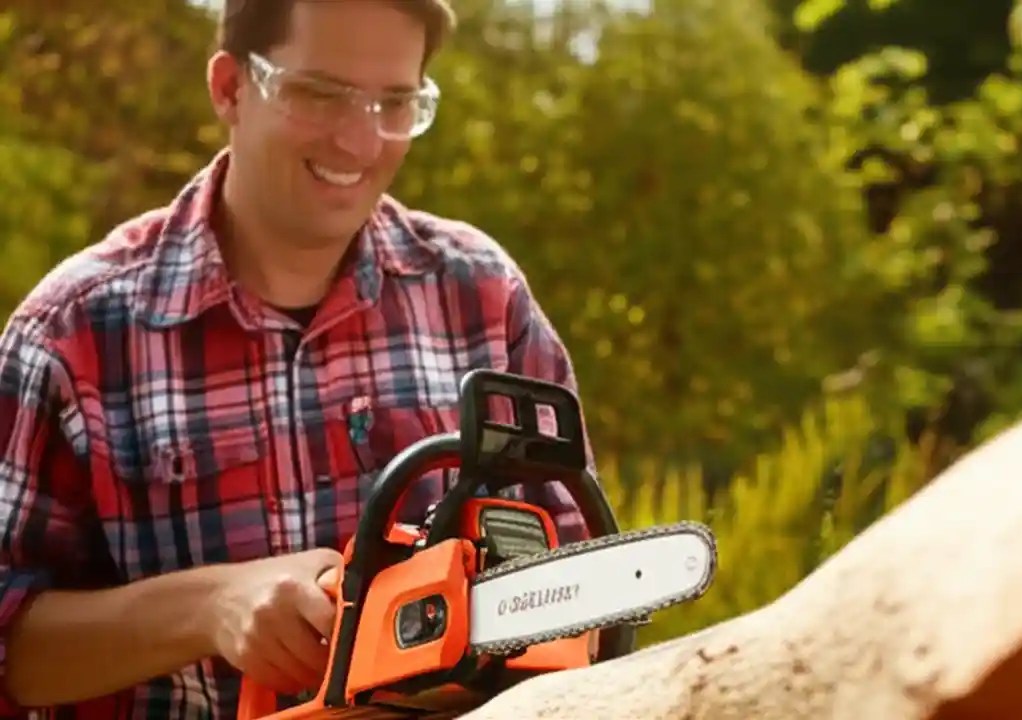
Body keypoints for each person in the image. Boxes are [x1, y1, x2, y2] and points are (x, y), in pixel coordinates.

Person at [0, 0, 597, 717]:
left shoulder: (482, 296)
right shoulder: (73, 334)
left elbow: (582, 581)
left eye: (395, 103)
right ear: (229, 88)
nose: (359, 139)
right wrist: (210, 607)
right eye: (319, 93)